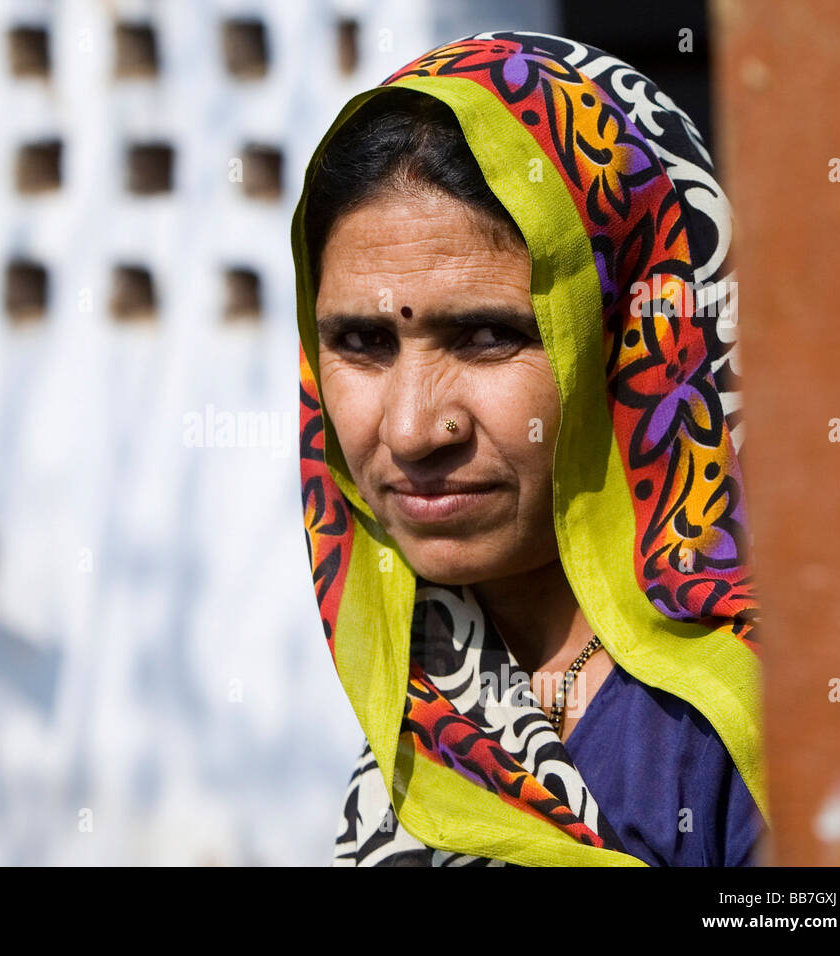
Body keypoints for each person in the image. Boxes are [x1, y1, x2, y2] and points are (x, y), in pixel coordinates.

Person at [293, 31, 768, 866]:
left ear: (635, 340)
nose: (411, 430)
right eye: (363, 342)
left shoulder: (758, 720)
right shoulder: (431, 706)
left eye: (487, 336)